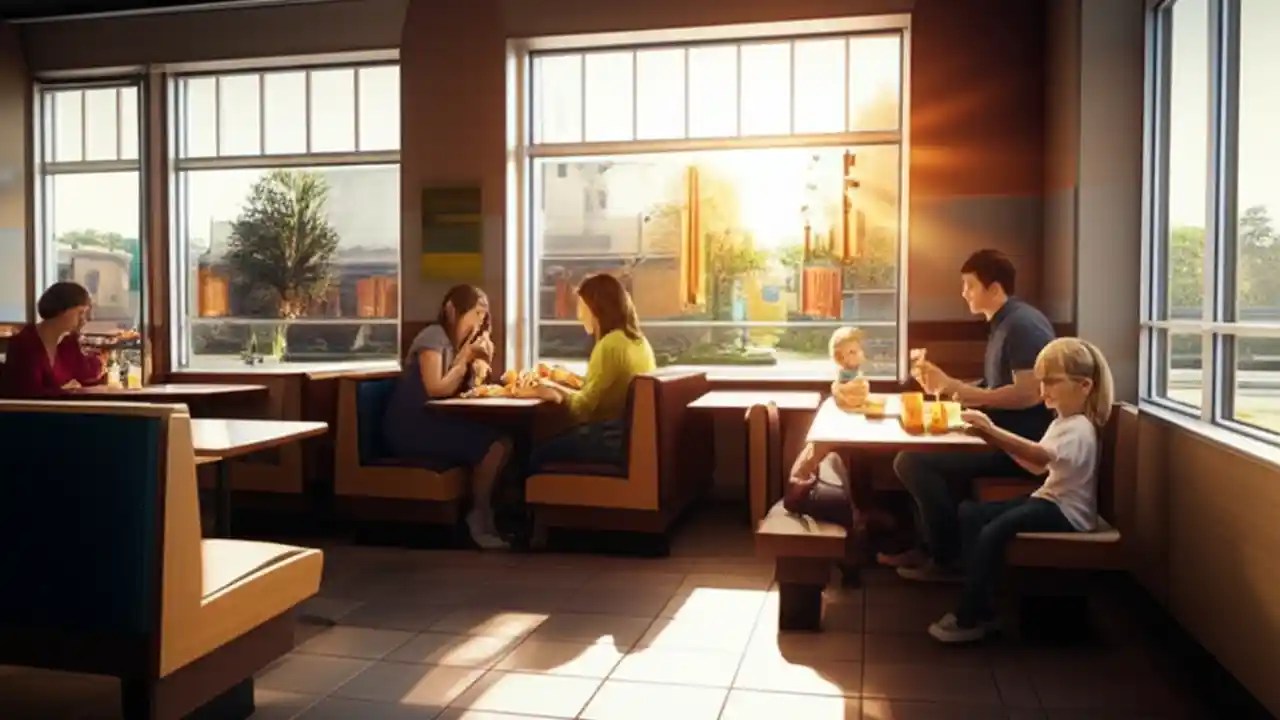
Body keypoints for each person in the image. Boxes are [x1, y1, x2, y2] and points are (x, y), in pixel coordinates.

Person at [885, 249, 1056, 581]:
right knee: (917, 453)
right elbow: (995, 386)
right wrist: (950, 386)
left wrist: (960, 391)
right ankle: (930, 547)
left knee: (912, 461)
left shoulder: (1022, 325)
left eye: (970, 285)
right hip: (997, 434)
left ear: (994, 288)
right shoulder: (1004, 322)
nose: (964, 293)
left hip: (1019, 445)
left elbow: (1029, 393)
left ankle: (946, 558)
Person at [928, 337, 1114, 643]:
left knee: (992, 532)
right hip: (1049, 501)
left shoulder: (1080, 428)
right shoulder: (1062, 422)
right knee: (971, 513)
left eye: (1052, 382)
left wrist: (992, 430)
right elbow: (1036, 467)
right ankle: (981, 601)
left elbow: (1039, 457)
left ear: (1084, 386)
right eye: (1042, 381)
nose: (1043, 390)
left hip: (1067, 513)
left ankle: (971, 616)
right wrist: (991, 437)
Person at [382, 284, 510, 550]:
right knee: (494, 446)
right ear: (452, 310)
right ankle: (478, 517)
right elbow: (436, 388)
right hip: (411, 426)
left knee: (505, 440)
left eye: (484, 316)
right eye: (476, 313)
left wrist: (479, 366)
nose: (480, 322)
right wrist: (465, 358)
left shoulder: (457, 345)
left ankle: (486, 514)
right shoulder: (434, 336)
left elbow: (463, 392)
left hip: (435, 421)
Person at [528, 273, 656, 468]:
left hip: (608, 440)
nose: (579, 316)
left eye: (582, 307)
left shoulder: (609, 345)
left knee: (534, 453)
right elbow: (605, 388)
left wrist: (553, 391)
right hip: (625, 439)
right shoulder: (638, 342)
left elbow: (584, 410)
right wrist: (563, 378)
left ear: (597, 308)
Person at [0, 282, 107, 398]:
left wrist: (100, 362)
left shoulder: (68, 342)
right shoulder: (24, 344)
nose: (85, 319)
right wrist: (66, 390)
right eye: (80, 312)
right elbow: (30, 394)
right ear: (61, 310)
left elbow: (85, 373)